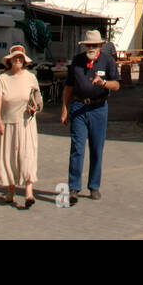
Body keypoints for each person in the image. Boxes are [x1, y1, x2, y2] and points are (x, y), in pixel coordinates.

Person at [60, 29, 119, 203]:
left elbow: (117, 85)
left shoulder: (107, 61)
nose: (91, 48)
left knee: (96, 148)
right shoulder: (77, 62)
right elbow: (69, 86)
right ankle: (74, 187)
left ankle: (94, 186)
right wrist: (64, 108)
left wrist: (104, 83)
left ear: (100, 46)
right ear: (84, 47)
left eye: (94, 45)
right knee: (77, 147)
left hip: (99, 108)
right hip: (78, 106)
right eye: (88, 45)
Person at [0, 45, 42, 209]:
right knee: (8, 159)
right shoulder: (2, 78)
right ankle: (11, 190)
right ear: (10, 60)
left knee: (26, 156)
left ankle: (29, 192)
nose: (18, 60)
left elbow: (37, 97)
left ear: (24, 60)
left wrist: (36, 107)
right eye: (15, 58)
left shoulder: (30, 77)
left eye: (20, 58)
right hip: (7, 123)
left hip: (26, 123)